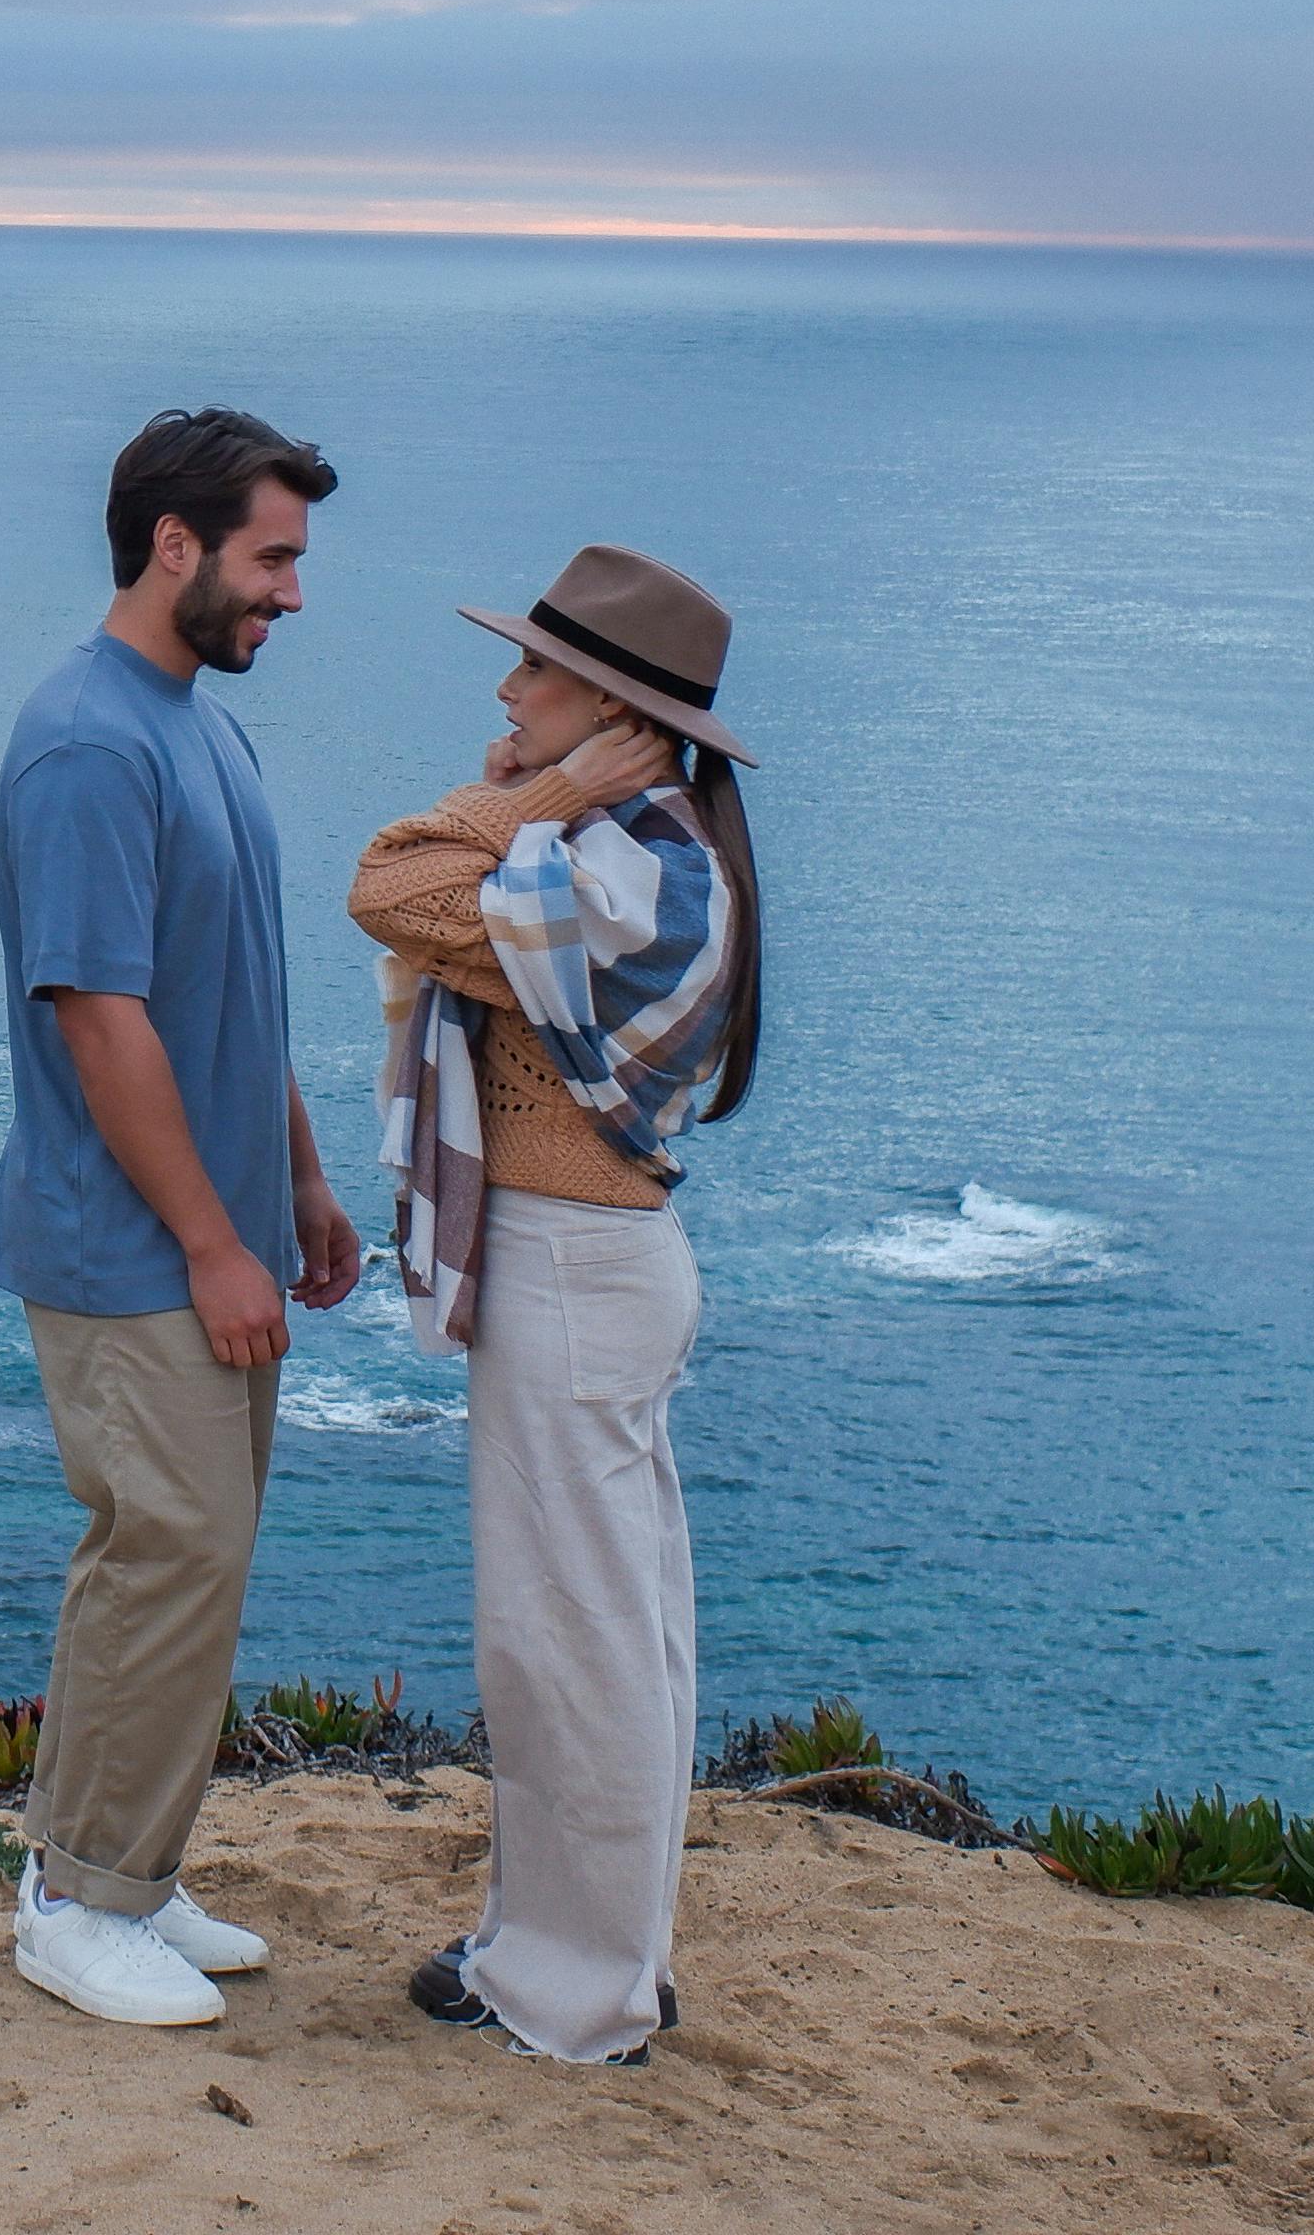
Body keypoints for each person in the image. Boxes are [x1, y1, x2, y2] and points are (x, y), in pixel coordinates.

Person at [347, 543, 763, 2066]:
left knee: (570, 1643)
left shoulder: (625, 863)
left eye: (533, 669)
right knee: (605, 1634)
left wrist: (539, 791)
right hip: (586, 1264)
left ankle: (581, 1992)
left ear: (609, 708)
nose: (504, 686)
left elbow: (388, 879)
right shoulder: (616, 847)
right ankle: (580, 1953)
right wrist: (552, 785)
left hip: (578, 1271)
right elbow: (428, 879)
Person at [0, 404, 367, 2029]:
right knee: (172, 1552)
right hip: (129, 1244)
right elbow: (101, 1018)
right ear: (175, 545)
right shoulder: (88, 741)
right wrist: (213, 1241)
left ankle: (115, 1863)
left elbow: (233, 996)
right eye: (273, 558)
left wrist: (298, 1182)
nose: (291, 593)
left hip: (213, 1222)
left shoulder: (200, 725)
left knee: (173, 1560)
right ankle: (79, 1903)